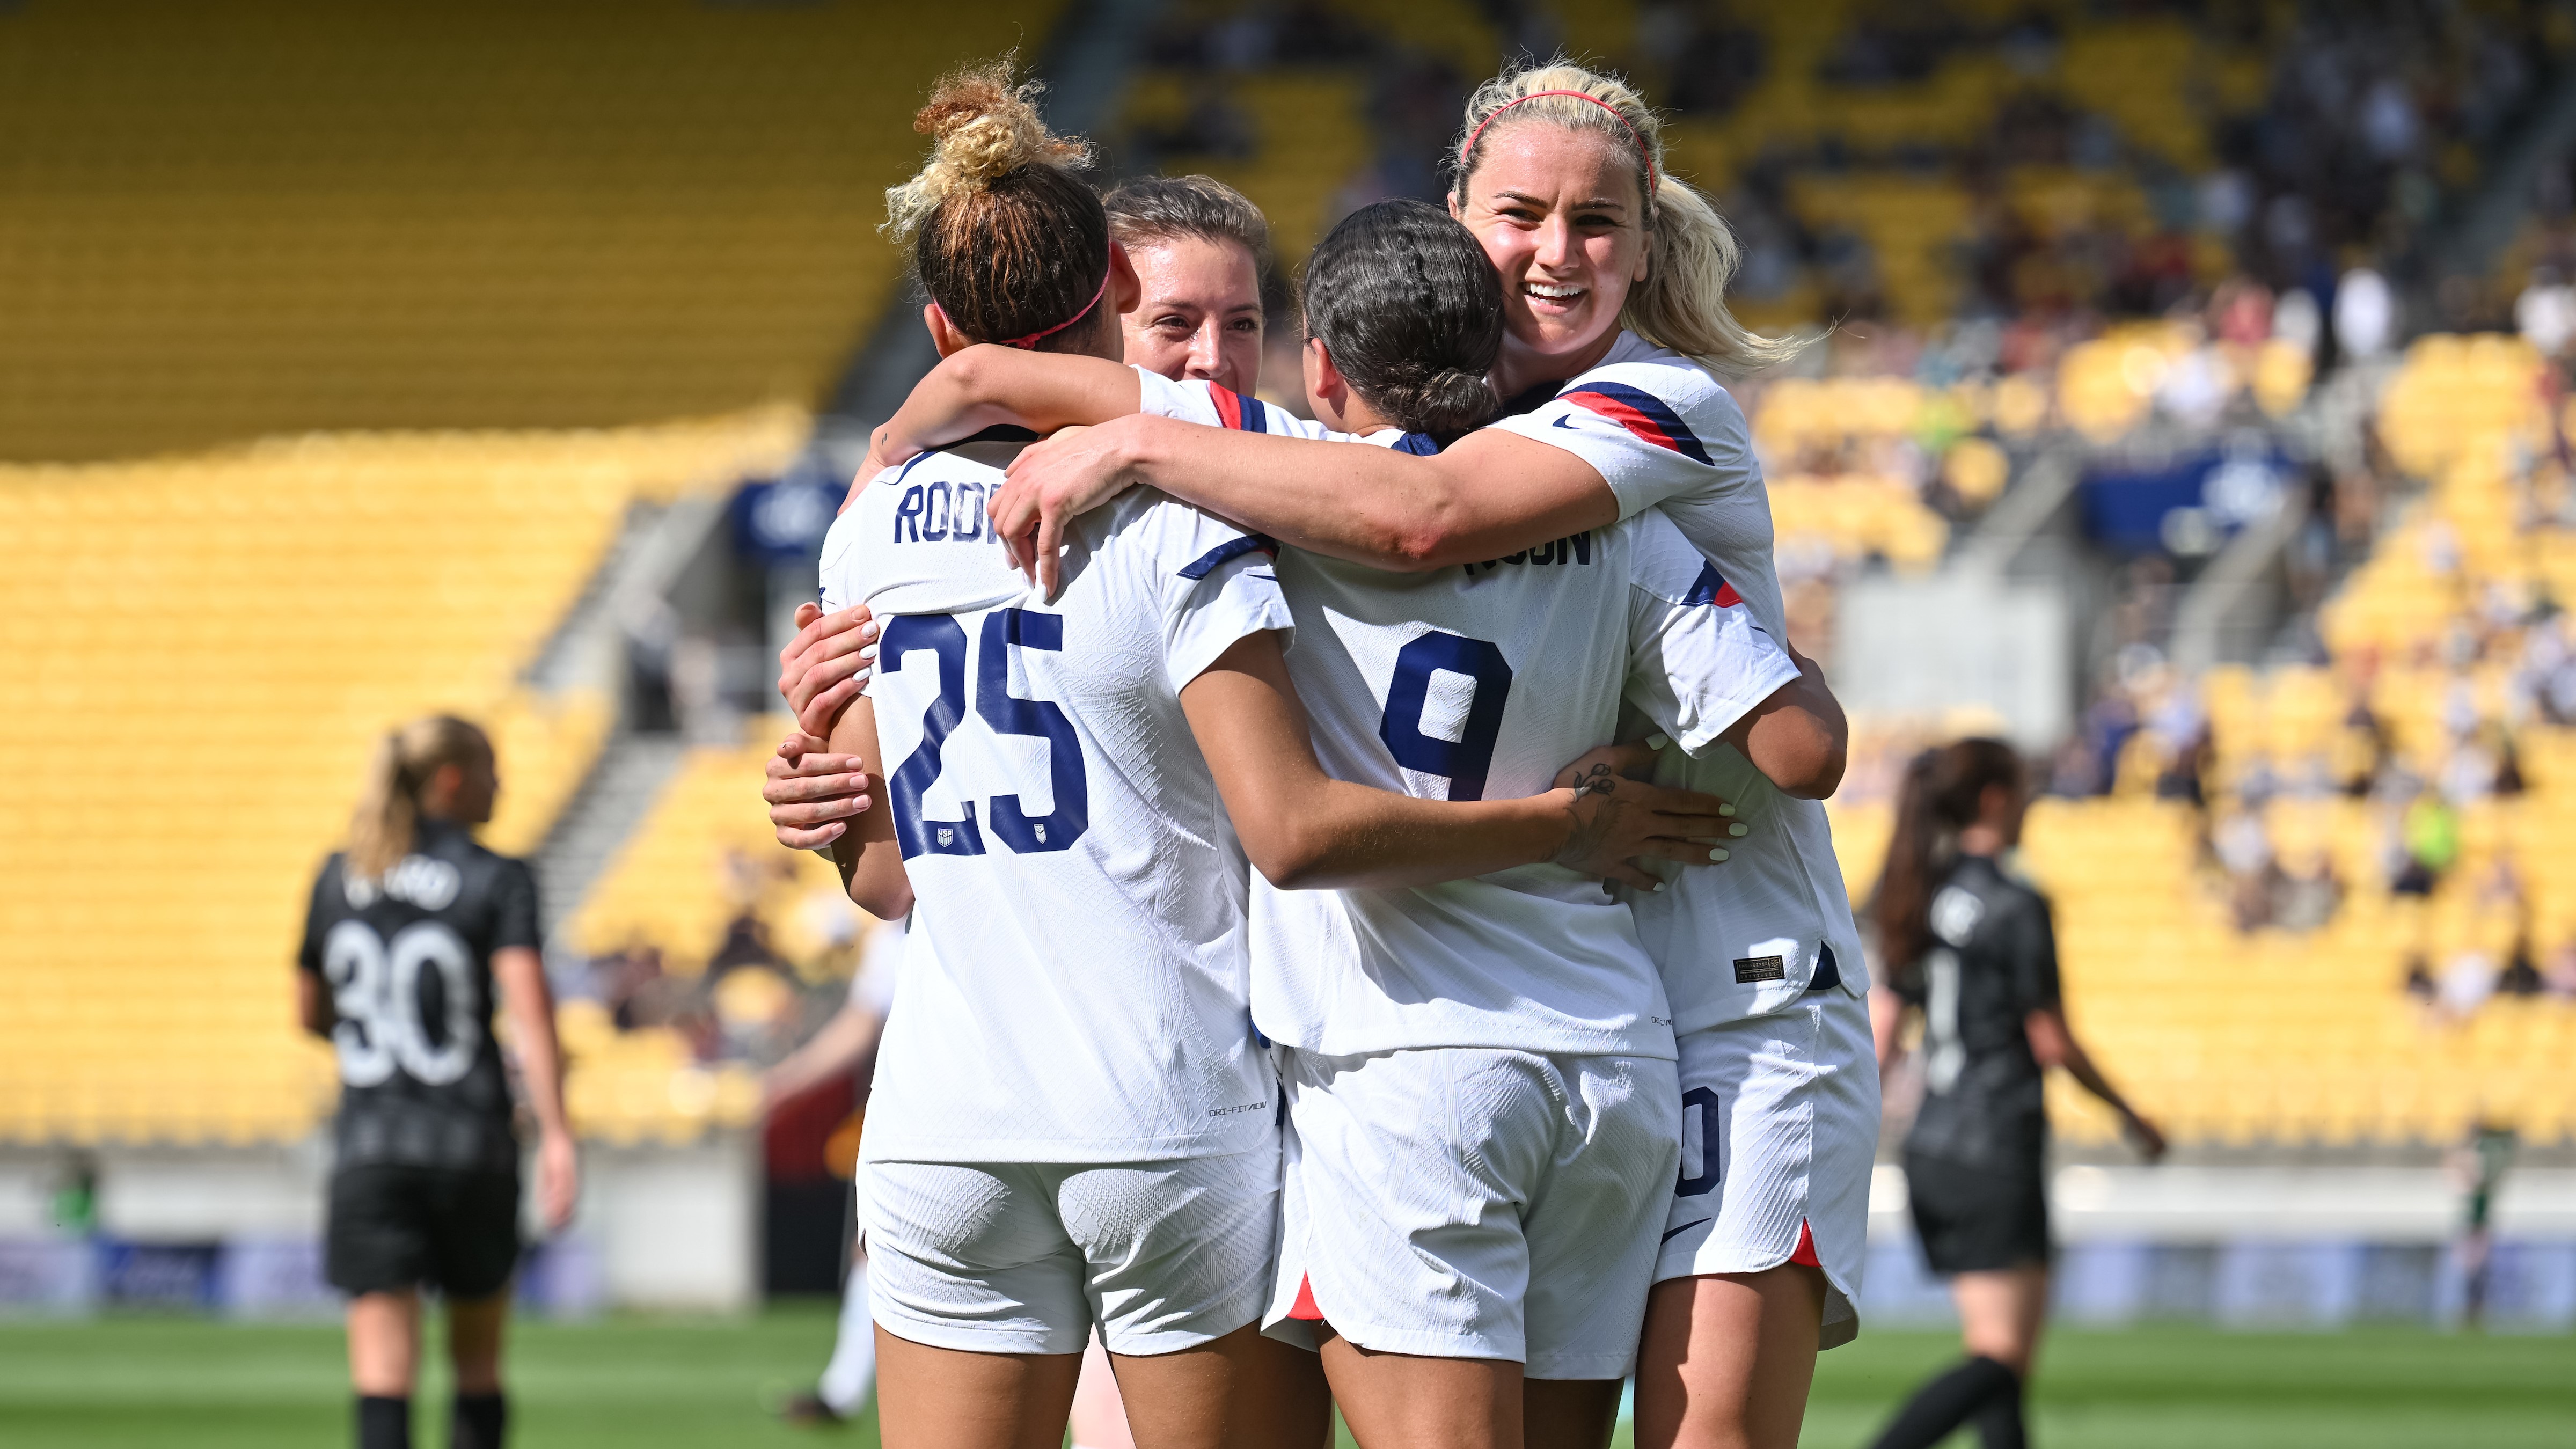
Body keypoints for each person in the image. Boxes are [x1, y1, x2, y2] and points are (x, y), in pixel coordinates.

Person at [832, 57, 1872, 1449]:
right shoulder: (1368, 481)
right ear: (1457, 215)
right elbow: (1798, 734)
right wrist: (848, 748)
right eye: (1521, 214)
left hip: (1705, 1008)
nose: (1555, 252)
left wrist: (936, 481)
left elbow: (1421, 513)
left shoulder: (1636, 416)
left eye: (1597, 223)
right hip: (1599, 1017)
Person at [1865, 739, 2165, 1449]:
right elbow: (2051, 1041)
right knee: (2002, 1359)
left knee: (2000, 1357)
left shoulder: (1917, 890)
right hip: (1996, 1138)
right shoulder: (2015, 901)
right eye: (2025, 790)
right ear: (1997, 800)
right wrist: (2132, 1117)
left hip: (1933, 1145)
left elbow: (1883, 1031)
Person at [295, 715, 576, 1449]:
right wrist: (556, 1137)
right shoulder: (497, 877)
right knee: (477, 1368)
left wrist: (370, 1033)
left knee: (383, 1377)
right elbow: (530, 1012)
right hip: (473, 1145)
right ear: (451, 779)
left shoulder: (338, 874)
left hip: (370, 1147)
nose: (502, 783)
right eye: (490, 767)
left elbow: (307, 1009)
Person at [766, 918, 904, 1429]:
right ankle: (841, 1390)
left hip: (932, 1124)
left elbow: (859, 1025)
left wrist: (786, 1080)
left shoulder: (899, 933)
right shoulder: (891, 939)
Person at [1104, 174, 1272, 399]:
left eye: (1241, 325)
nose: (1213, 362)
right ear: (1100, 331)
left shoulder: (1303, 433)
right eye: (1175, 322)